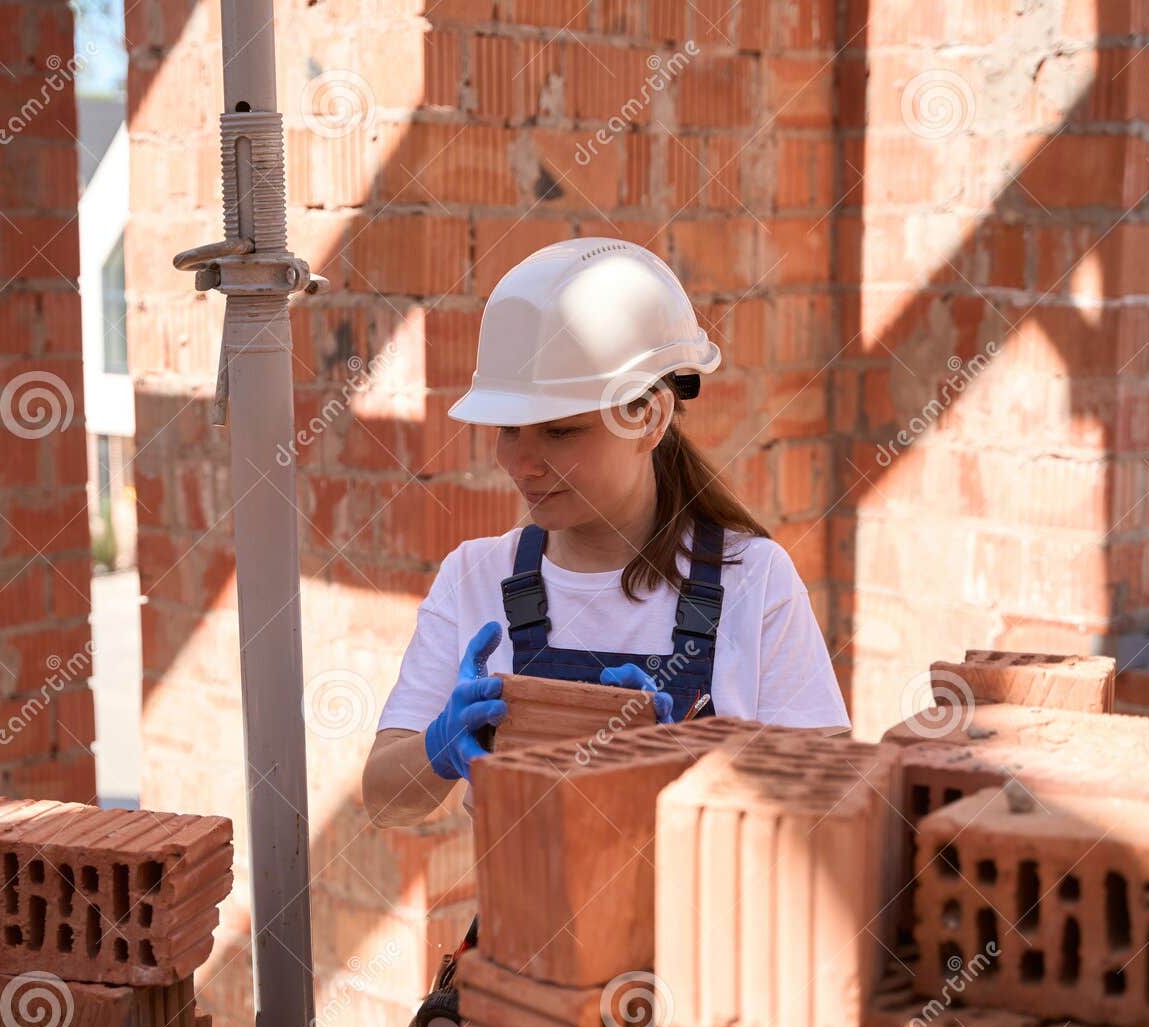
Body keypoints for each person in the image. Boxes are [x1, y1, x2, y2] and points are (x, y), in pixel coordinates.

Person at [362, 238, 849, 829]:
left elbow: (831, 806)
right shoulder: (476, 575)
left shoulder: (752, 578)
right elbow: (386, 799)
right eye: (508, 430)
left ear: (648, 417)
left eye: (560, 432)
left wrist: (694, 768)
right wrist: (436, 748)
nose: (522, 463)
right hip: (520, 921)